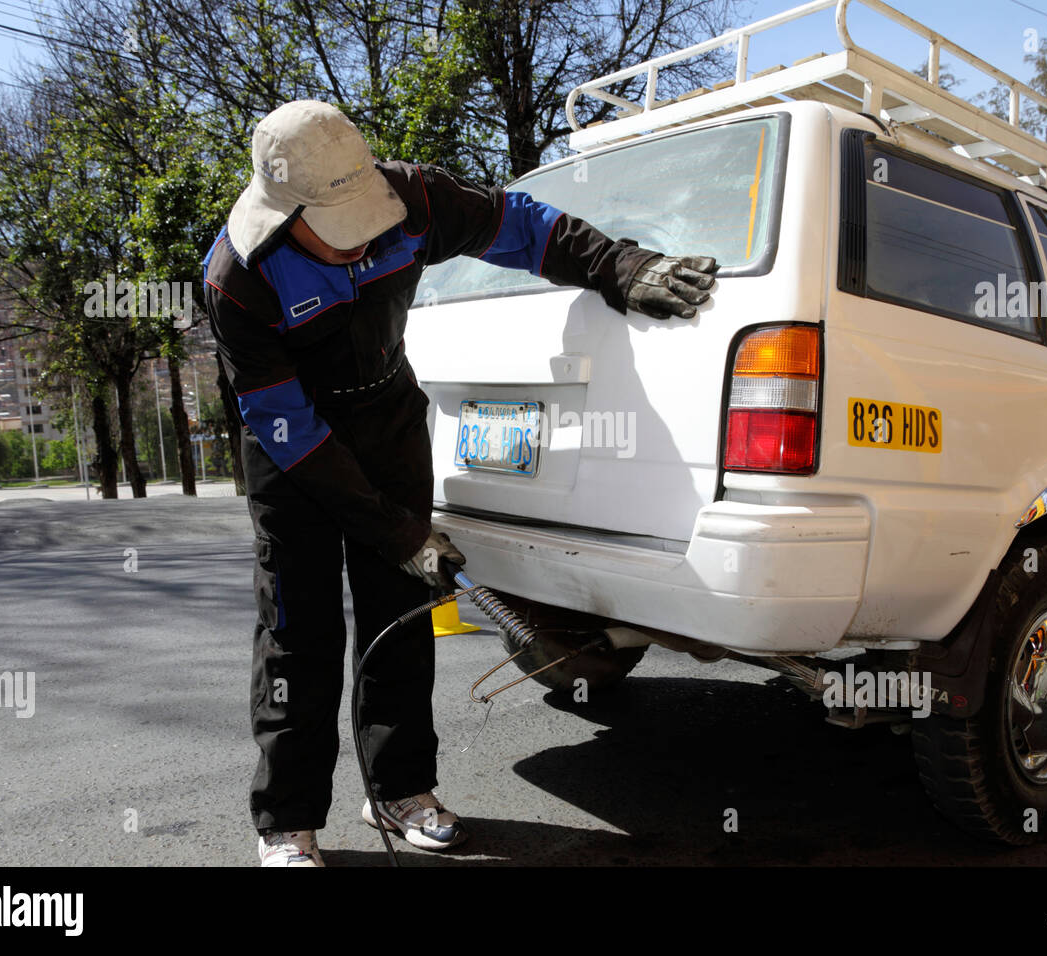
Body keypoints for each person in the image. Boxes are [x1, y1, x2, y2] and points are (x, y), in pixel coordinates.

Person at [203, 100, 717, 867]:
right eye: (338, 229)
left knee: (403, 614)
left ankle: (402, 790)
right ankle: (286, 821)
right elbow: (291, 430)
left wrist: (618, 265)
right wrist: (399, 532)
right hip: (294, 453)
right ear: (286, 213)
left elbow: (522, 226)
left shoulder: (412, 198)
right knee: (298, 634)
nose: (361, 240)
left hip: (388, 422)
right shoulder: (239, 278)